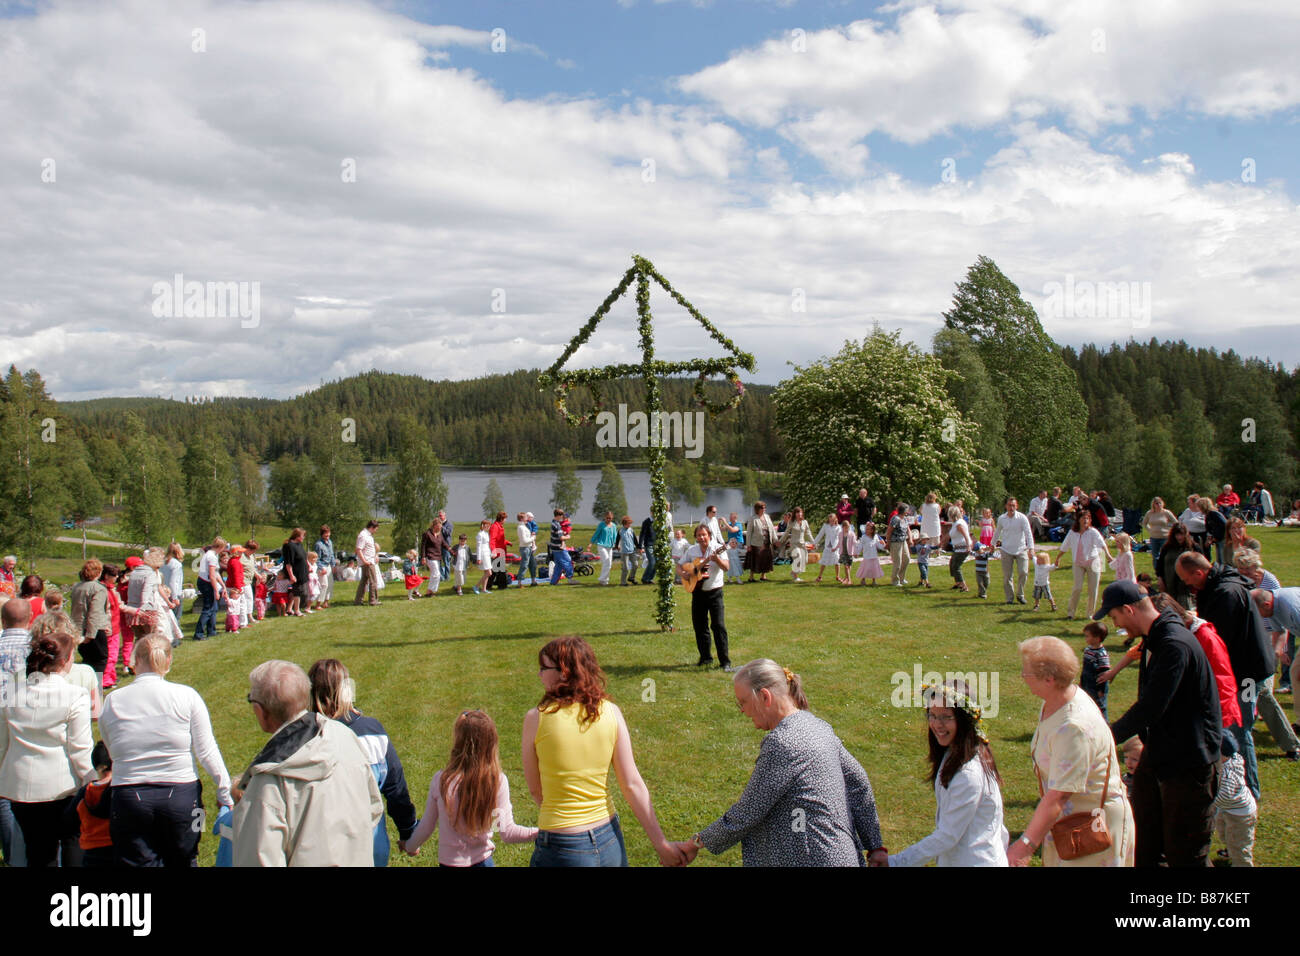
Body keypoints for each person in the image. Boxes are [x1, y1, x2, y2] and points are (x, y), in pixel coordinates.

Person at [674, 659, 885, 867]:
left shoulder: (782, 744)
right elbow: (859, 782)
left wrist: (696, 843)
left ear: (765, 697)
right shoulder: (819, 727)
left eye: (743, 702)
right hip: (840, 856)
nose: (742, 711)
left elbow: (748, 812)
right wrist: (875, 847)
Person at [522, 637, 682, 867]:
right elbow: (632, 783)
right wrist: (662, 845)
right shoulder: (611, 712)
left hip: (561, 846)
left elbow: (535, 790)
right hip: (609, 840)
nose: (539, 674)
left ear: (564, 673)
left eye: (543, 668)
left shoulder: (535, 719)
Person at [1098, 582, 1220, 867]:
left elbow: (1152, 706)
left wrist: (1104, 736)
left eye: (1114, 617)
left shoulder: (1173, 644)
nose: (1116, 625)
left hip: (1189, 761)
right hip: (1161, 751)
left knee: (1185, 852)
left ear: (1128, 610)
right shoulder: (1156, 637)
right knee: (1144, 837)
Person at [98, 632, 233, 866]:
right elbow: (206, 749)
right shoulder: (186, 696)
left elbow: (113, 749)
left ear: (134, 660)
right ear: (168, 660)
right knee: (186, 858)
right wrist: (224, 790)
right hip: (182, 796)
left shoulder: (113, 700)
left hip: (129, 796)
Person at [233, 660, 383, 867]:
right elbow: (373, 808)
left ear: (260, 711)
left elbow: (258, 859)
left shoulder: (268, 780)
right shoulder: (345, 737)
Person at [1009, 635, 1134, 867]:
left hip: (1093, 828)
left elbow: (1059, 795)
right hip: (1071, 823)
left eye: (1026, 672)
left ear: (1048, 679)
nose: (1022, 677)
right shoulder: (1058, 699)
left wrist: (1024, 845)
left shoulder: (1073, 727)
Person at [1177, 552, 1276, 792]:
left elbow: (1221, 640)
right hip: (1246, 670)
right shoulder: (1222, 585)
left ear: (1199, 573)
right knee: (1238, 727)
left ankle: (1249, 789)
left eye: (1188, 580)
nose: (1187, 586)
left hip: (1247, 674)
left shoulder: (1225, 594)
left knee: (1239, 729)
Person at [309, 659, 417, 866]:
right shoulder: (371, 731)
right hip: (366, 845)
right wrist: (408, 830)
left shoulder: (301, 735)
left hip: (320, 847)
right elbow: (395, 787)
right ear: (346, 689)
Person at [0, 633, 95, 867]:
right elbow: (80, 748)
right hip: (62, 786)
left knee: (37, 851)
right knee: (72, 841)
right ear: (65, 660)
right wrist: (92, 780)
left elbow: (3, 744)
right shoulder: (75, 695)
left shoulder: (11, 693)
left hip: (20, 786)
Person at [888, 681, 1007, 867]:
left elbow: (947, 836)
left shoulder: (969, 774)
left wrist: (895, 862)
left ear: (965, 719)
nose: (937, 724)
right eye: (932, 715)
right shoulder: (953, 753)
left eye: (946, 717)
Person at [404, 710, 537, 867]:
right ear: (491, 743)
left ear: (458, 742)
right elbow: (507, 833)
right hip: (484, 861)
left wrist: (410, 846)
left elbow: (426, 827)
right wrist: (544, 832)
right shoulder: (496, 781)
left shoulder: (442, 780)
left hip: (449, 863)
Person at [678, 523, 731, 670]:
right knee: (700, 627)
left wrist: (717, 560)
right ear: (695, 537)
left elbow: (726, 567)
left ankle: (725, 662)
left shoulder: (717, 547)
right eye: (699, 535)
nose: (701, 538)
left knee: (718, 626)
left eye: (704, 535)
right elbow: (679, 565)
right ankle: (705, 658)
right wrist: (683, 574)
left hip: (715, 593)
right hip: (698, 593)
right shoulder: (692, 550)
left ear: (709, 536)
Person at [1055, 510, 1113, 620]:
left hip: (1093, 562)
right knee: (1077, 588)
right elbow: (1065, 546)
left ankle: (1089, 614)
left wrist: (1108, 556)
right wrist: (1058, 558)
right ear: (1079, 520)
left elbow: (1102, 544)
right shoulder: (1073, 532)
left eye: (1087, 518)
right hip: (1078, 563)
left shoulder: (1093, 532)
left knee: (1093, 589)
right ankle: (1071, 613)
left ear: (1090, 520)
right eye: (1083, 518)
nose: (1085, 520)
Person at [1213, 733, 1256, 867]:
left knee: (1240, 845)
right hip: (1227, 809)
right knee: (1224, 832)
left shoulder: (1229, 776)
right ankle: (1230, 849)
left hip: (1240, 816)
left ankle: (1242, 862)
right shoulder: (1233, 757)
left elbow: (1223, 797)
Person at [68, 559, 110, 675]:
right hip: (93, 630)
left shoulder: (77, 587)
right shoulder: (98, 588)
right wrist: (90, 635)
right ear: (98, 572)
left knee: (86, 662)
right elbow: (95, 613)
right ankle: (95, 690)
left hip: (78, 628)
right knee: (99, 661)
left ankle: (86, 688)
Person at [995, 497, 1035, 604]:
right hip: (1006, 550)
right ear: (1006, 506)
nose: (1011, 507)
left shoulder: (1022, 518)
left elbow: (1028, 533)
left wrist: (1031, 548)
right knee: (1007, 575)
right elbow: (997, 532)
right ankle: (1009, 597)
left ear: (1016, 506)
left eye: (1013, 505)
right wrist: (992, 545)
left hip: (1021, 549)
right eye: (1009, 505)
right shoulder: (1002, 518)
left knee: (1023, 572)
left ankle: (1020, 595)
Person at [193, 537, 227, 640]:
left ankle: (212, 631)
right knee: (208, 608)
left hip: (205, 581)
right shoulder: (211, 557)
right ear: (220, 547)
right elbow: (212, 575)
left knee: (214, 608)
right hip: (206, 583)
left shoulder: (211, 555)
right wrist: (216, 590)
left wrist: (223, 585)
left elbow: (216, 573)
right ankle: (198, 634)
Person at [1080, 621, 1110, 720]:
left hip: (1096, 686)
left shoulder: (1101, 654)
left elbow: (1104, 673)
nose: (1086, 639)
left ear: (1097, 638)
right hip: (1087, 684)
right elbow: (1085, 668)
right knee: (1088, 704)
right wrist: (1082, 682)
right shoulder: (1087, 650)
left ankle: (1105, 726)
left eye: (1088, 636)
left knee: (1100, 707)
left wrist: (1101, 689)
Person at [744, 501, 777, 582]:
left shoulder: (767, 517)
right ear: (757, 509)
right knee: (754, 560)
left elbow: (772, 529)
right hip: (756, 543)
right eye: (762, 508)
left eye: (765, 507)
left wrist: (775, 540)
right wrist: (748, 545)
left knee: (765, 559)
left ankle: (763, 576)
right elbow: (749, 533)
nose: (764, 509)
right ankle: (751, 577)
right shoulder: (752, 518)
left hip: (767, 542)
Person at [1142, 497, 1177, 572]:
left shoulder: (1166, 512)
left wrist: (1170, 530)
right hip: (1154, 537)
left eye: (1160, 503)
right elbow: (1144, 523)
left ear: (1162, 503)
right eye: (1156, 503)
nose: (1158, 505)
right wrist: (1149, 530)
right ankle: (1157, 571)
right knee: (1155, 556)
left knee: (1165, 555)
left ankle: (1166, 570)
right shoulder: (1149, 513)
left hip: (1165, 537)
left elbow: (1175, 522)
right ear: (1153, 504)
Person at [944, 505, 973, 592]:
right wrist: (941, 542)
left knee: (956, 566)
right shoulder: (955, 523)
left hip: (962, 548)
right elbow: (949, 535)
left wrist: (968, 545)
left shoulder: (959, 524)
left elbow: (966, 535)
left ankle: (964, 586)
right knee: (952, 564)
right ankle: (958, 583)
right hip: (958, 548)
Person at [354, 520, 382, 606]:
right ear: (372, 527)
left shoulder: (368, 535)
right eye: (376, 529)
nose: (376, 531)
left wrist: (374, 557)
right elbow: (359, 549)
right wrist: (365, 561)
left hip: (369, 560)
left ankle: (358, 600)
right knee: (373, 581)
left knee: (364, 581)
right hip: (367, 562)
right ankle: (373, 600)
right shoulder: (363, 535)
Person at [783, 506, 813, 583]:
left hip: (802, 544)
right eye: (797, 512)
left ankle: (793, 572)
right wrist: (780, 541)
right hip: (794, 544)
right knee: (798, 557)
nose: (799, 514)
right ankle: (796, 577)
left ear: (802, 513)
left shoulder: (805, 522)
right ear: (795, 514)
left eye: (800, 512)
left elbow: (808, 533)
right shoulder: (791, 522)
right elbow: (786, 533)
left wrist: (814, 542)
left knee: (805, 560)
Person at [589, 511, 617, 586]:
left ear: (612, 518)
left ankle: (604, 580)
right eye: (607, 518)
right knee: (607, 561)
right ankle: (603, 579)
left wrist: (616, 545)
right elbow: (596, 534)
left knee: (609, 564)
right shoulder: (601, 525)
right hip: (601, 546)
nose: (609, 519)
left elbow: (615, 536)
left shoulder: (614, 526)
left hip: (610, 547)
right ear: (605, 517)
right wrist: (591, 543)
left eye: (610, 518)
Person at [887, 501, 911, 587]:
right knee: (898, 562)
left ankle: (902, 577)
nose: (908, 511)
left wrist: (910, 539)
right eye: (907, 510)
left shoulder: (905, 519)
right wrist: (888, 543)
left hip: (903, 541)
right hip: (895, 542)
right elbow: (889, 531)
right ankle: (895, 581)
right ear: (904, 511)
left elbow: (908, 529)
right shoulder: (895, 519)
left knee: (907, 559)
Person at [421, 518, 446, 596]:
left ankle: (429, 592)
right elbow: (423, 546)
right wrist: (423, 557)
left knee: (433, 574)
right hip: (430, 556)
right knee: (437, 574)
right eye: (439, 526)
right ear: (434, 526)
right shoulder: (427, 533)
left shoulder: (439, 534)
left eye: (440, 526)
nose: (440, 528)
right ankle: (431, 590)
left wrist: (451, 550)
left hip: (437, 556)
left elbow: (444, 543)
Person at [163, 542, 185, 630]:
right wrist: (175, 597)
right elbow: (173, 581)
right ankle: (175, 640)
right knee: (176, 617)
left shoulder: (163, 562)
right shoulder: (176, 564)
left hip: (164, 592)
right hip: (174, 593)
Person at [548, 510, 573, 585]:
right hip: (559, 548)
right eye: (562, 515)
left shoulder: (553, 523)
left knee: (558, 566)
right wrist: (568, 537)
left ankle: (553, 582)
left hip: (554, 548)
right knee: (568, 562)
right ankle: (570, 579)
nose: (562, 517)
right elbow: (561, 537)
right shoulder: (557, 525)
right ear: (558, 515)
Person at [856, 521, 885, 586]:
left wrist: (884, 546)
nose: (866, 530)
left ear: (872, 530)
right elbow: (860, 545)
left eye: (868, 529)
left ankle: (874, 581)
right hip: (867, 556)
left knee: (873, 569)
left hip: (874, 556)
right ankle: (863, 580)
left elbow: (878, 545)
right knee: (865, 569)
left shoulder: (875, 537)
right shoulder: (864, 537)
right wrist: (857, 552)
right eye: (866, 529)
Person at [313, 526, 335, 609]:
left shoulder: (330, 542)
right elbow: (317, 558)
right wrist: (322, 568)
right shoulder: (318, 544)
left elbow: (332, 554)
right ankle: (318, 603)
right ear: (322, 534)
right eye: (326, 535)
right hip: (322, 566)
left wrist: (333, 565)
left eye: (329, 534)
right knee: (324, 584)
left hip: (329, 565)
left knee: (330, 584)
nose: (328, 536)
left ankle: (326, 602)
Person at [515, 512, 537, 587]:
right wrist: (532, 538)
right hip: (525, 548)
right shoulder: (521, 528)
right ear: (521, 519)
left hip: (529, 548)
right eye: (525, 517)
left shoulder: (524, 526)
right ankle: (519, 583)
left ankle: (533, 581)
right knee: (524, 565)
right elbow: (524, 540)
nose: (527, 518)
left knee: (533, 565)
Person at [724, 511, 744, 584]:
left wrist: (725, 522)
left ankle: (736, 577)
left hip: (737, 543)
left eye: (730, 517)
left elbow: (732, 530)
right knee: (730, 561)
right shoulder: (729, 524)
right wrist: (720, 522)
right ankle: (730, 577)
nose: (729, 518)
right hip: (730, 544)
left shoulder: (738, 524)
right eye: (729, 517)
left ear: (734, 518)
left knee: (734, 561)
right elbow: (722, 529)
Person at [474, 519, 493, 595]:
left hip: (487, 554)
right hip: (483, 555)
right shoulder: (480, 534)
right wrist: (479, 558)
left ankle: (484, 589)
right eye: (487, 525)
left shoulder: (486, 533)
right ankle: (476, 586)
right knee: (489, 573)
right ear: (484, 525)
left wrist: (490, 554)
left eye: (489, 525)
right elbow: (478, 547)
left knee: (486, 572)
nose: (489, 527)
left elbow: (487, 545)